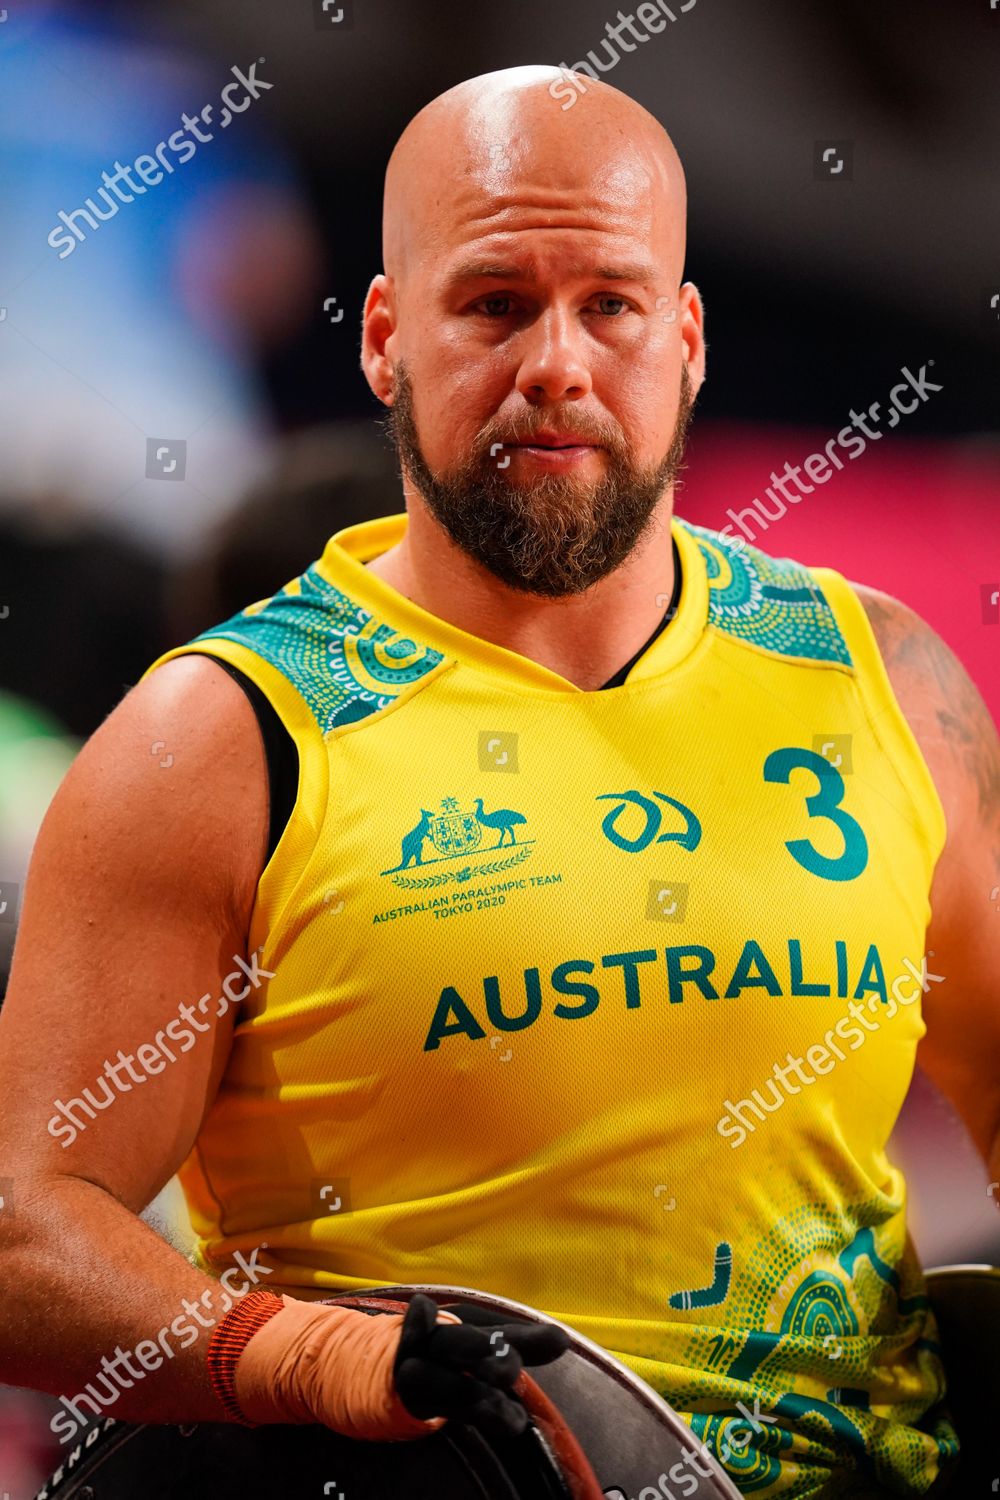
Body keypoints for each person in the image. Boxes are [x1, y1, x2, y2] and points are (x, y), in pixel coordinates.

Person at [0, 63, 997, 1500]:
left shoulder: (881, 678)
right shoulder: (222, 738)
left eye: (612, 303)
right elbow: (26, 1228)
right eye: (493, 305)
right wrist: (314, 1364)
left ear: (689, 337)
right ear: (387, 341)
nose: (559, 363)